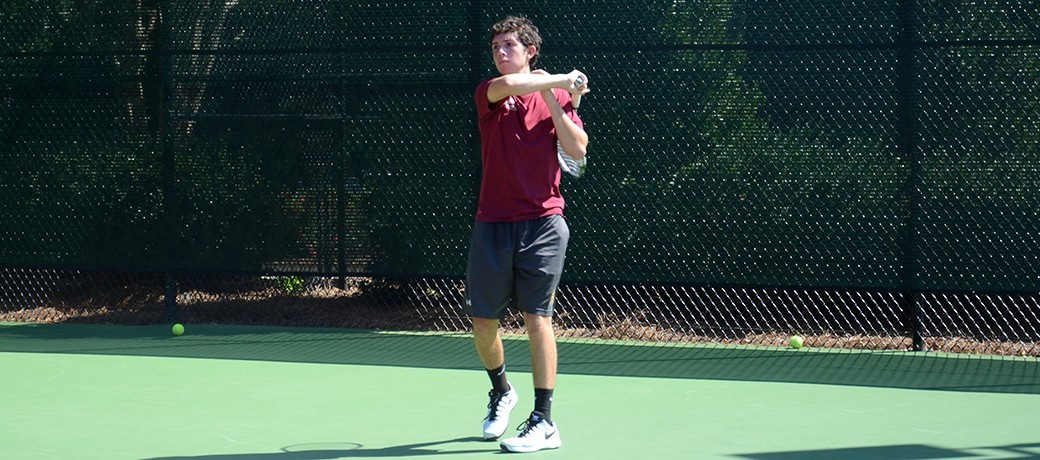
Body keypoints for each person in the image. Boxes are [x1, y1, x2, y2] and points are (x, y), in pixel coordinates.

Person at [465, 15, 589, 454]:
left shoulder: (556, 94)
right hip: (492, 223)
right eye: (495, 46)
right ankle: (502, 390)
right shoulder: (490, 91)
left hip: (543, 222)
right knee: (484, 324)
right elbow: (511, 85)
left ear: (530, 50)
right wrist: (562, 80)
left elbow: (577, 150)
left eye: (509, 45)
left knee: (538, 318)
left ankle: (544, 421)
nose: (500, 52)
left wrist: (556, 95)